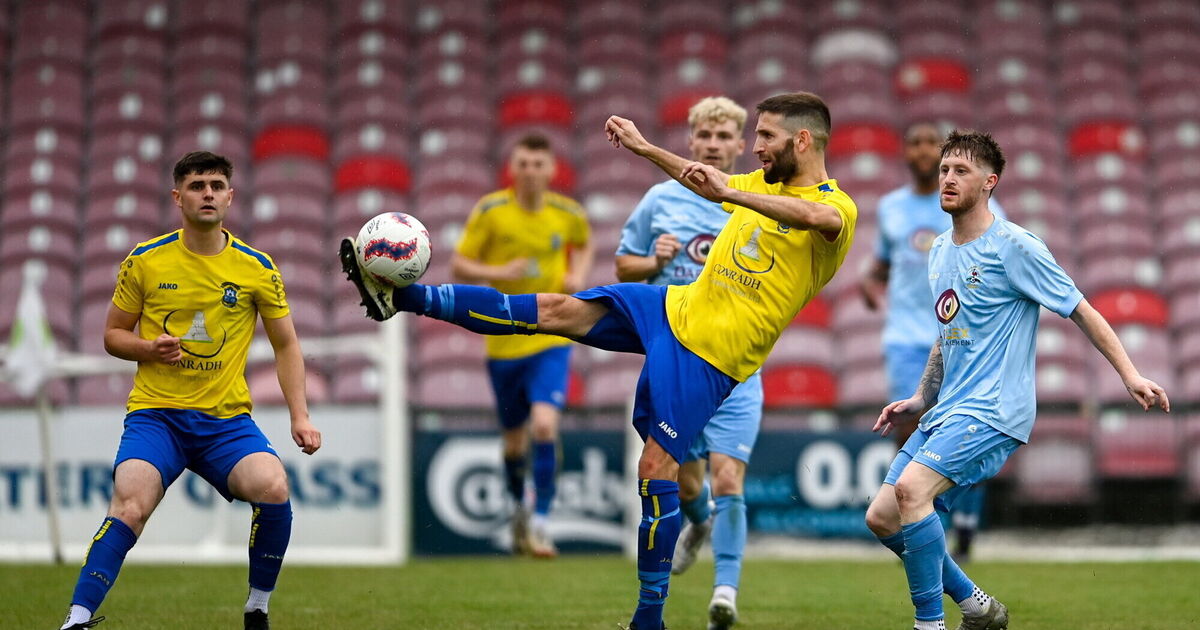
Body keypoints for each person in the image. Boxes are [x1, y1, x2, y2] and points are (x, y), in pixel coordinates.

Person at [340, 92, 856, 630]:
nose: (756, 148)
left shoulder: (837, 207)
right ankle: (401, 299)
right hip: (673, 305)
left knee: (657, 468)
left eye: (766, 137)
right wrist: (643, 148)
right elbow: (704, 178)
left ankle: (649, 619)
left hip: (712, 353)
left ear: (803, 140)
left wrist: (733, 192)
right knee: (556, 308)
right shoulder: (755, 183)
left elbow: (815, 216)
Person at [864, 130, 1169, 630]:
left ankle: (929, 624)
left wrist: (1129, 373)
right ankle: (978, 608)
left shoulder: (1015, 246)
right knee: (881, 517)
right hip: (950, 409)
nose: (947, 178)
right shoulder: (939, 250)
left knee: (911, 493)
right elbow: (947, 334)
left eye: (960, 171)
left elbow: (1081, 309)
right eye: (944, 170)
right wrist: (922, 396)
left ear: (990, 183)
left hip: (994, 411)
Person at [57, 151, 321, 630]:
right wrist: (148, 349)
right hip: (157, 415)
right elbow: (112, 335)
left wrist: (299, 416)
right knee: (131, 500)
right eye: (197, 185)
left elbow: (286, 344)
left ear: (230, 197)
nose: (208, 193)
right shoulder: (145, 260)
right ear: (177, 196)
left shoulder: (256, 267)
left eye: (217, 185)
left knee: (274, 486)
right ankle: (76, 620)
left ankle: (257, 610)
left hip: (225, 422)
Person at [614, 96, 762, 630]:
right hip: (679, 358)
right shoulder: (660, 198)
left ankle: (725, 594)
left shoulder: (752, 199)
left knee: (729, 478)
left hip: (737, 362)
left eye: (726, 137)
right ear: (692, 140)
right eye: (707, 136)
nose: (716, 145)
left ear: (740, 145)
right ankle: (696, 524)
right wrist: (653, 261)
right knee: (690, 485)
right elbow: (623, 264)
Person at [860, 122, 1005, 561]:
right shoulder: (890, 208)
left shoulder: (973, 203)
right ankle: (924, 516)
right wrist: (870, 282)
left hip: (962, 338)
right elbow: (883, 264)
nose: (924, 152)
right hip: (906, 336)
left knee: (964, 427)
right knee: (909, 426)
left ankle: (964, 522)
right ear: (906, 153)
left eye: (931, 144)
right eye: (915, 143)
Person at [450, 134, 594, 557]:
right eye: (523, 164)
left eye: (538, 164)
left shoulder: (568, 213)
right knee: (514, 442)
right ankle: (518, 508)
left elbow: (585, 244)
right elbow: (459, 263)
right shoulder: (492, 211)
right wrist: (499, 269)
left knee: (546, 426)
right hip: (503, 342)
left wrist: (576, 274)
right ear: (512, 169)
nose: (531, 171)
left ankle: (543, 522)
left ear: (551, 170)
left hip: (551, 334)